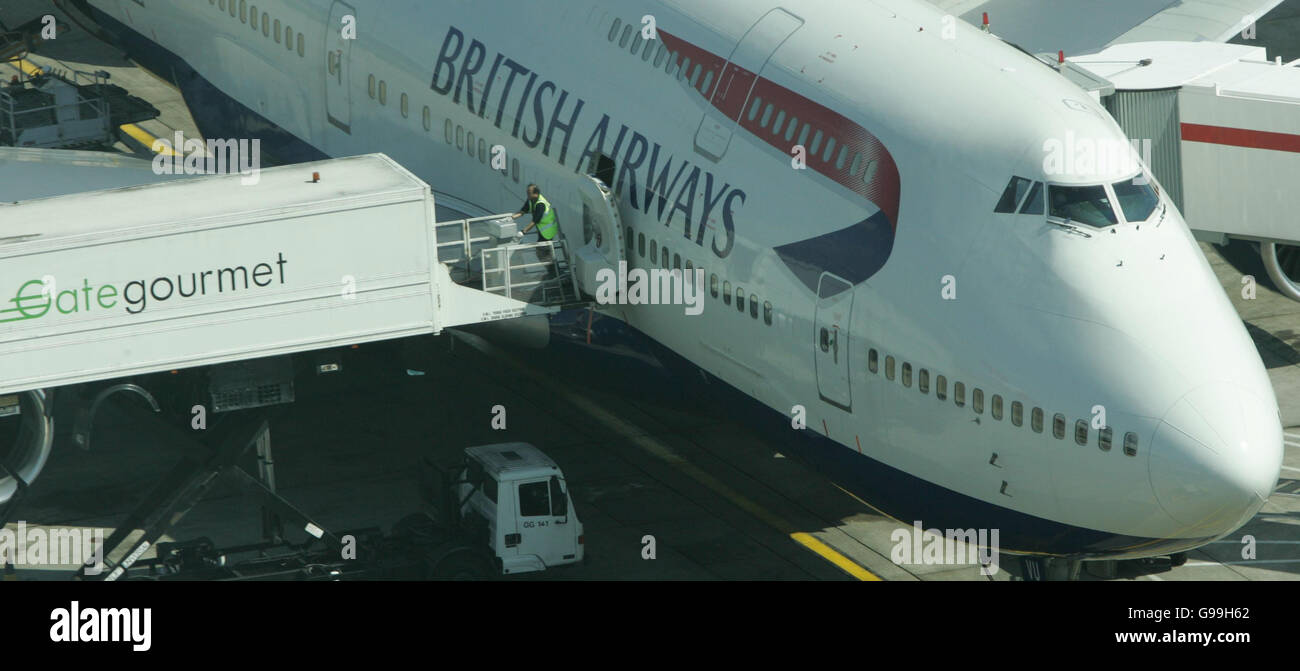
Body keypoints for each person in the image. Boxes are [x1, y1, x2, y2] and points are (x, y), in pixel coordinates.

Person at [510, 183, 558, 271]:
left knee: (542, 251)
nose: (527, 194)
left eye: (529, 192)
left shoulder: (540, 204)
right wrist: (511, 218)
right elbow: (523, 211)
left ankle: (553, 272)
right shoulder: (531, 200)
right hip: (542, 229)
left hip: (548, 230)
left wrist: (523, 232)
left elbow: (535, 221)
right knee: (544, 252)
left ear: (535, 194)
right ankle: (553, 271)